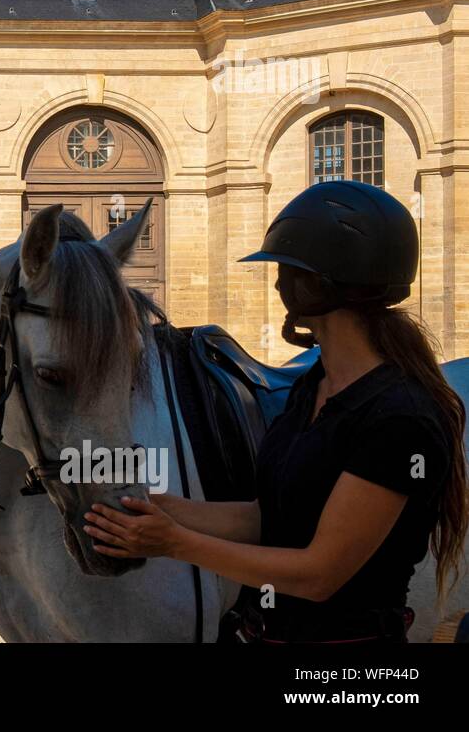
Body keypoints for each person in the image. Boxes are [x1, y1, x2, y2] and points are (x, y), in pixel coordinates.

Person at [83, 181, 466, 643]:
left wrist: (173, 542)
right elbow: (266, 519)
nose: (279, 282)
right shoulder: (314, 386)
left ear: (318, 286)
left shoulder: (399, 418)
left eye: (287, 270)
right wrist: (161, 507)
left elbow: (318, 574)